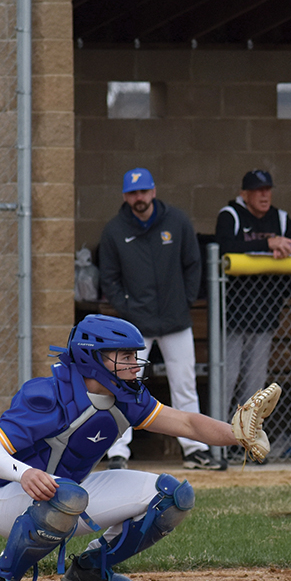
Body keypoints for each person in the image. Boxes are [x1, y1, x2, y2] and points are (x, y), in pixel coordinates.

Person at [0, 314, 254, 581]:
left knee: (172, 496)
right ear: (91, 357)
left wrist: (239, 435)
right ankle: (1, 578)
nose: (134, 363)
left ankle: (90, 570)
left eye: (135, 355)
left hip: (70, 493)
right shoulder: (48, 395)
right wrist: (24, 473)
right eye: (125, 356)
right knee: (66, 495)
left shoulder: (127, 397)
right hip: (8, 497)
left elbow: (187, 424)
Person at [98, 167, 220, 471]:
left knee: (184, 385)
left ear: (153, 192)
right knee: (124, 386)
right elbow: (109, 278)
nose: (139, 198)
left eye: (144, 191)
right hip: (134, 326)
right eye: (133, 193)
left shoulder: (176, 221)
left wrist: (185, 300)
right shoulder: (115, 229)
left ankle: (195, 450)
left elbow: (193, 265)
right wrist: (126, 307)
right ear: (125, 196)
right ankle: (118, 453)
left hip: (175, 319)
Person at [215, 169, 291, 415]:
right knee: (226, 379)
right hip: (232, 315)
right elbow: (224, 247)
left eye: (267, 190)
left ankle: (245, 443)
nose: (264, 195)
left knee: (254, 387)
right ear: (244, 194)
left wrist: (286, 246)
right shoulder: (231, 215)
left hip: (265, 314)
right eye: (257, 191)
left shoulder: (280, 218)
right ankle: (216, 446)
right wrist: (266, 244)